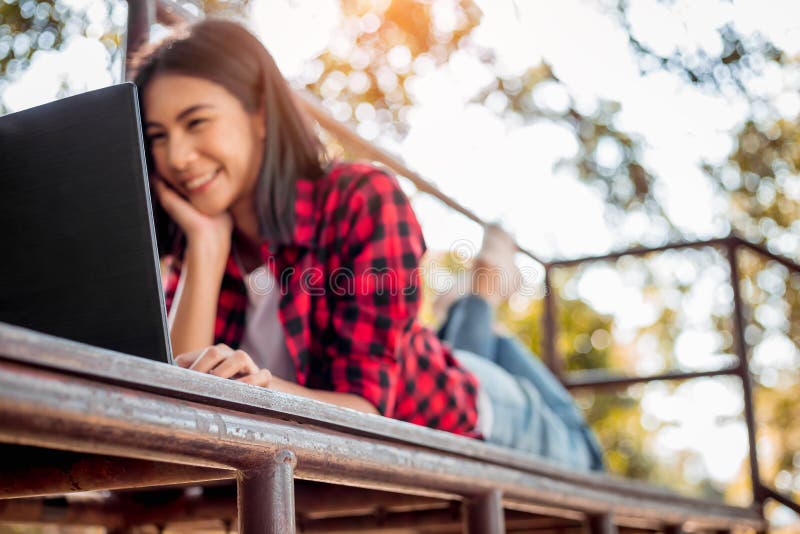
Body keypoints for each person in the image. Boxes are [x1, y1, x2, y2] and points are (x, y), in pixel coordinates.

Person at [130, 18, 603, 471]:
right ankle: (474, 299)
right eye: (158, 137)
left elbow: (366, 410)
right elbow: (179, 420)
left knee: (589, 458)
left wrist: (257, 391)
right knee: (456, 340)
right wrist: (205, 251)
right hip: (424, 359)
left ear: (258, 113)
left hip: (475, 414)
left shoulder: (359, 197)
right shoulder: (198, 249)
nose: (176, 157)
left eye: (196, 123)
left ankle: (478, 296)